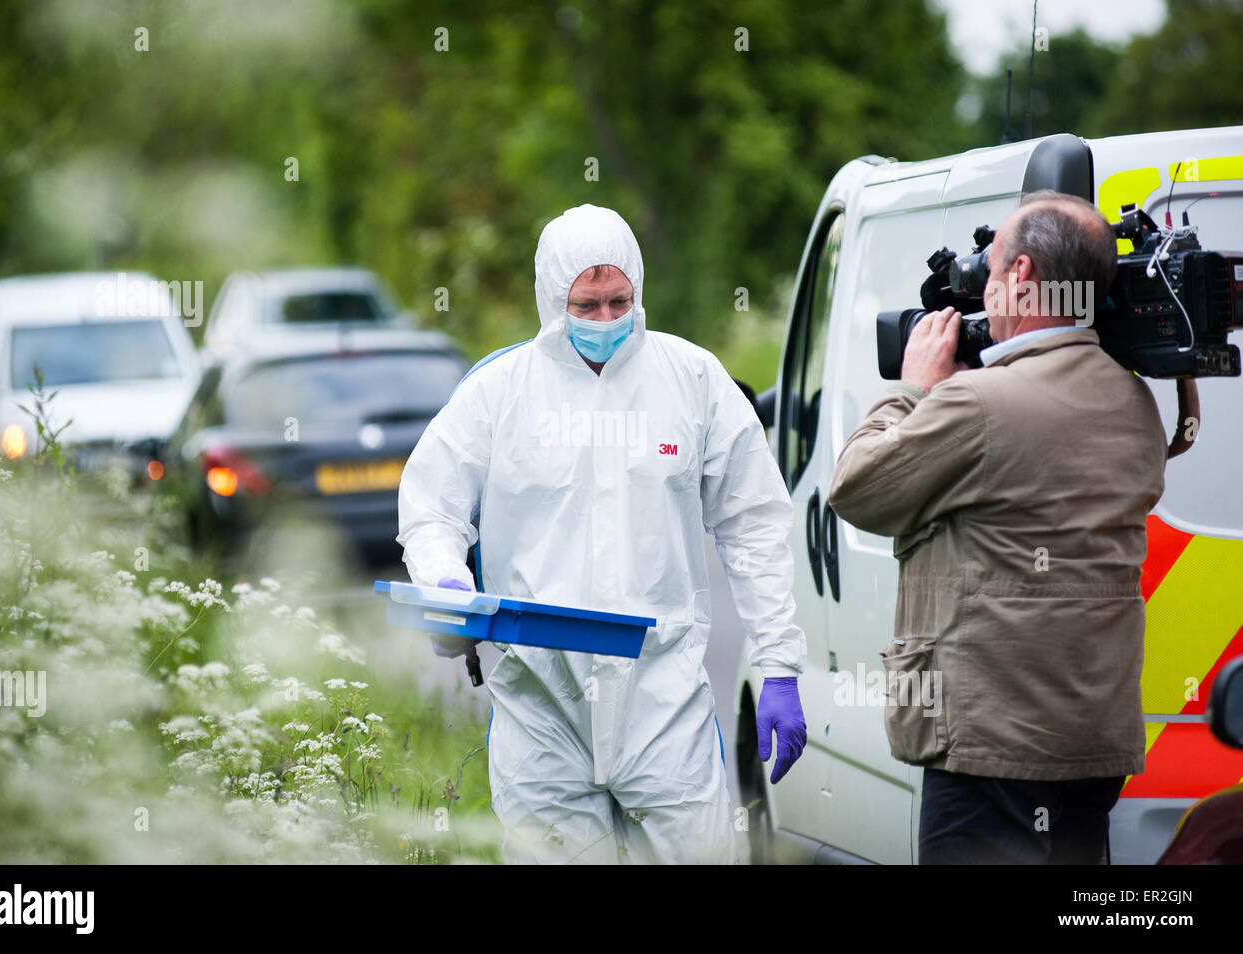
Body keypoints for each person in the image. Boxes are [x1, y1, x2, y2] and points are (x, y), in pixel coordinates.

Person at [397, 203, 808, 864]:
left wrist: (780, 665)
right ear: (549, 300)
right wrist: (446, 584)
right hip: (542, 707)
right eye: (585, 306)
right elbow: (432, 506)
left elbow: (754, 524)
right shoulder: (499, 394)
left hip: (663, 703)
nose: (606, 321)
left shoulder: (692, 381)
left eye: (620, 302)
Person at [828, 190, 1167, 864]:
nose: (979, 286)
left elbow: (858, 488)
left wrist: (914, 389)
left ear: (1021, 277)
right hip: (1092, 742)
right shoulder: (1135, 399)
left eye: (989, 268)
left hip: (994, 743)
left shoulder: (978, 402)